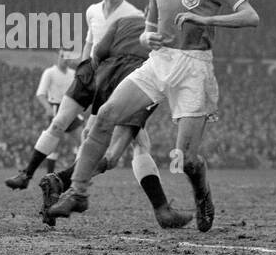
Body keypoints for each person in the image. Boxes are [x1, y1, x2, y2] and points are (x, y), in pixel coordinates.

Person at [49, 0, 259, 231]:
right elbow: (147, 34)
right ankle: (78, 192)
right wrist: (150, 39)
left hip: (194, 67)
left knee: (186, 158)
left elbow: (251, 16)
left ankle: (201, 193)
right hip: (159, 61)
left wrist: (207, 20)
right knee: (106, 114)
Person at [39, 14, 193, 229]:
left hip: (106, 76)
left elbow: (97, 54)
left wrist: (96, 106)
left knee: (135, 142)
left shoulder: (123, 21)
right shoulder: (166, 31)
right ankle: (62, 182)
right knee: (116, 153)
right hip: (138, 79)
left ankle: (162, 208)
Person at [5, 0, 143, 188]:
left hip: (112, 77)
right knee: (59, 122)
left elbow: (136, 51)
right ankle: (26, 174)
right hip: (90, 72)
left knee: (90, 134)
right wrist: (83, 67)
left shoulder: (134, 15)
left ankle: (71, 184)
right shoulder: (92, 11)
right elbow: (90, 41)